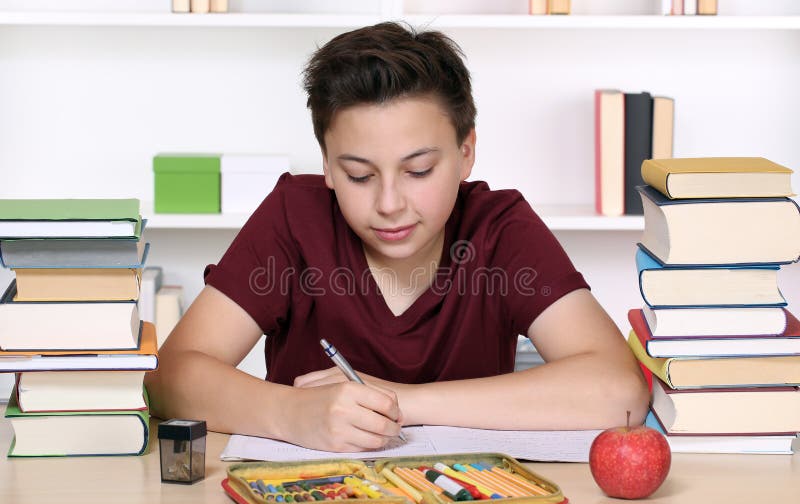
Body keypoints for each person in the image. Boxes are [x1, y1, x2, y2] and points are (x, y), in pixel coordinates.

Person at [145, 22, 649, 452]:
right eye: (360, 176)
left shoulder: (500, 229)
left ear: (466, 152)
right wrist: (290, 413)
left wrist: (398, 402)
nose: (389, 204)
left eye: (420, 170)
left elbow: (618, 391)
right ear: (326, 164)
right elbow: (170, 380)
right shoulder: (295, 216)